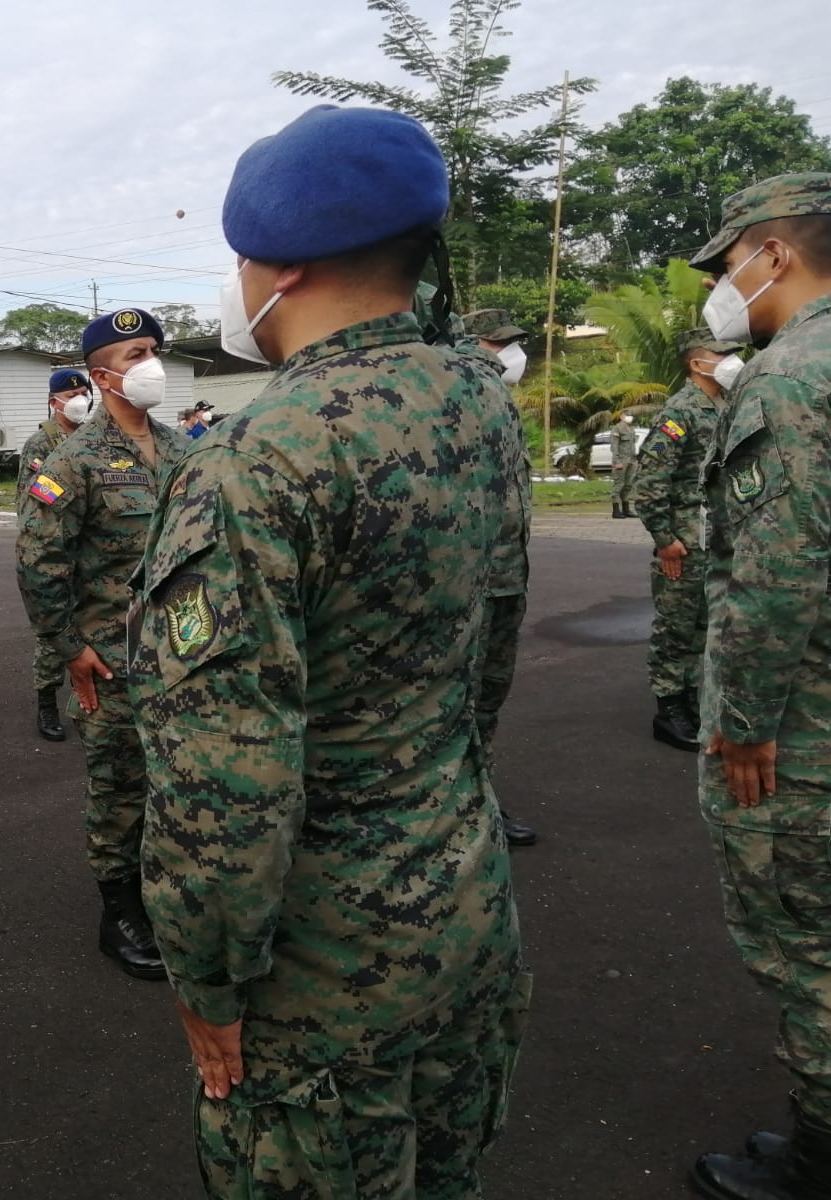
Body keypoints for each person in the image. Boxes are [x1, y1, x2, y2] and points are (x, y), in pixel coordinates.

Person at [132, 105, 528, 1198]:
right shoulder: (478, 406)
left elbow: (226, 775)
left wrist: (207, 978)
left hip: (323, 961)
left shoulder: (254, 459)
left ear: (282, 266)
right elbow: (487, 654)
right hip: (462, 896)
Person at [683, 173, 831, 1200]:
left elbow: (773, 574)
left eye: (726, 262)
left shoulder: (789, 376)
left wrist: (745, 723)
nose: (723, 284)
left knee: (814, 950)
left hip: (809, 719)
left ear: (776, 253)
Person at [15, 308, 189, 980]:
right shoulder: (72, 461)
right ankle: (118, 913)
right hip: (111, 656)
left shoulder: (183, 449)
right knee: (119, 785)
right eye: (132, 355)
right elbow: (38, 563)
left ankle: (163, 892)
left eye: (153, 349)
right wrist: (68, 647)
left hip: (183, 651)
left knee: (173, 779)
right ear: (99, 376)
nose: (149, 364)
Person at [631, 328, 743, 755]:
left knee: (705, 627)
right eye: (723, 353)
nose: (733, 359)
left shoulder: (724, 405)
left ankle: (693, 703)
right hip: (684, 542)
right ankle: (668, 710)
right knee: (675, 628)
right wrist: (664, 539)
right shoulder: (681, 411)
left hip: (715, 539)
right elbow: (650, 481)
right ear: (698, 363)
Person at [465, 307, 539, 849]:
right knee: (461, 701)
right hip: (470, 580)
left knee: (489, 696)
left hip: (506, 575)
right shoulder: (461, 393)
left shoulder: (497, 399)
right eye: (500, 343)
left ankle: (480, 795)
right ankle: (464, 810)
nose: (512, 355)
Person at [17, 369, 93, 743]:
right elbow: (34, 502)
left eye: (84, 392)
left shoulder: (96, 439)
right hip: (60, 549)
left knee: (94, 624)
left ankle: (91, 699)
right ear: (54, 401)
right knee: (54, 632)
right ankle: (46, 702)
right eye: (72, 393)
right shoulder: (41, 444)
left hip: (93, 554)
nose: (81, 399)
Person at [610, 411, 639, 517]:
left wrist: (635, 461)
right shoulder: (617, 428)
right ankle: (616, 510)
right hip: (621, 461)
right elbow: (614, 446)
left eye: (631, 416)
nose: (629, 418)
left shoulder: (631, 429)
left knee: (628, 485)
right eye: (627, 416)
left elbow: (632, 446)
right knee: (619, 485)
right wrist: (617, 461)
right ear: (622, 417)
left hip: (631, 460)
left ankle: (626, 509)